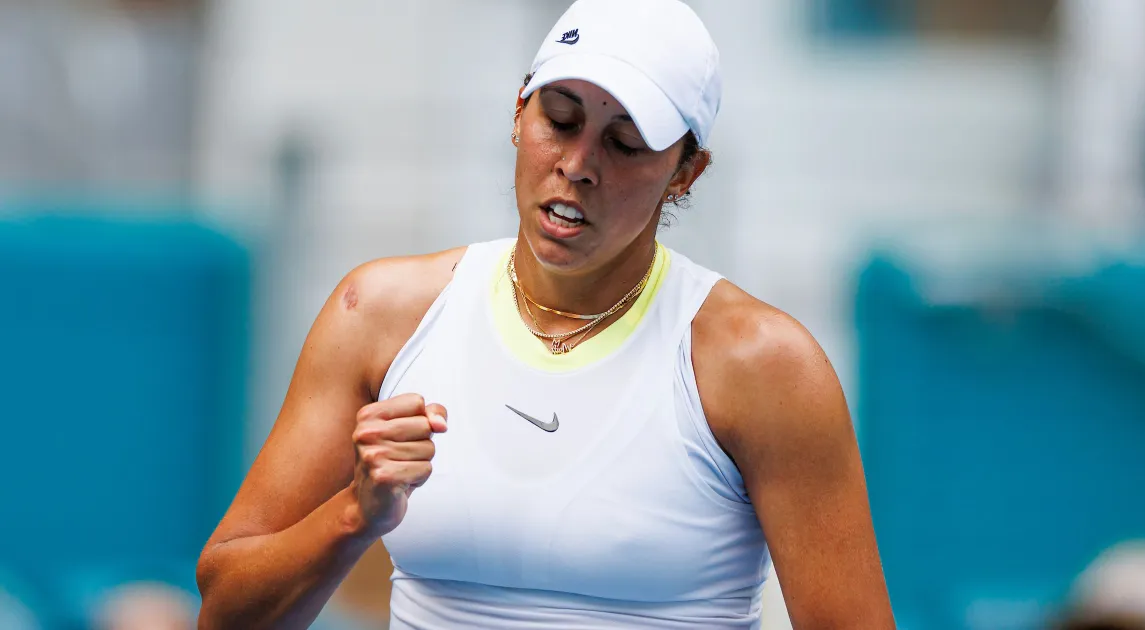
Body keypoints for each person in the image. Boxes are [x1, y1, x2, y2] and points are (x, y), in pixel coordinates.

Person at [196, 0, 894, 627]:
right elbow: (224, 612)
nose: (578, 164)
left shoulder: (764, 365)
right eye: (559, 120)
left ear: (687, 172)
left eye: (624, 143)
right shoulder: (378, 313)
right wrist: (354, 515)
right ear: (517, 114)